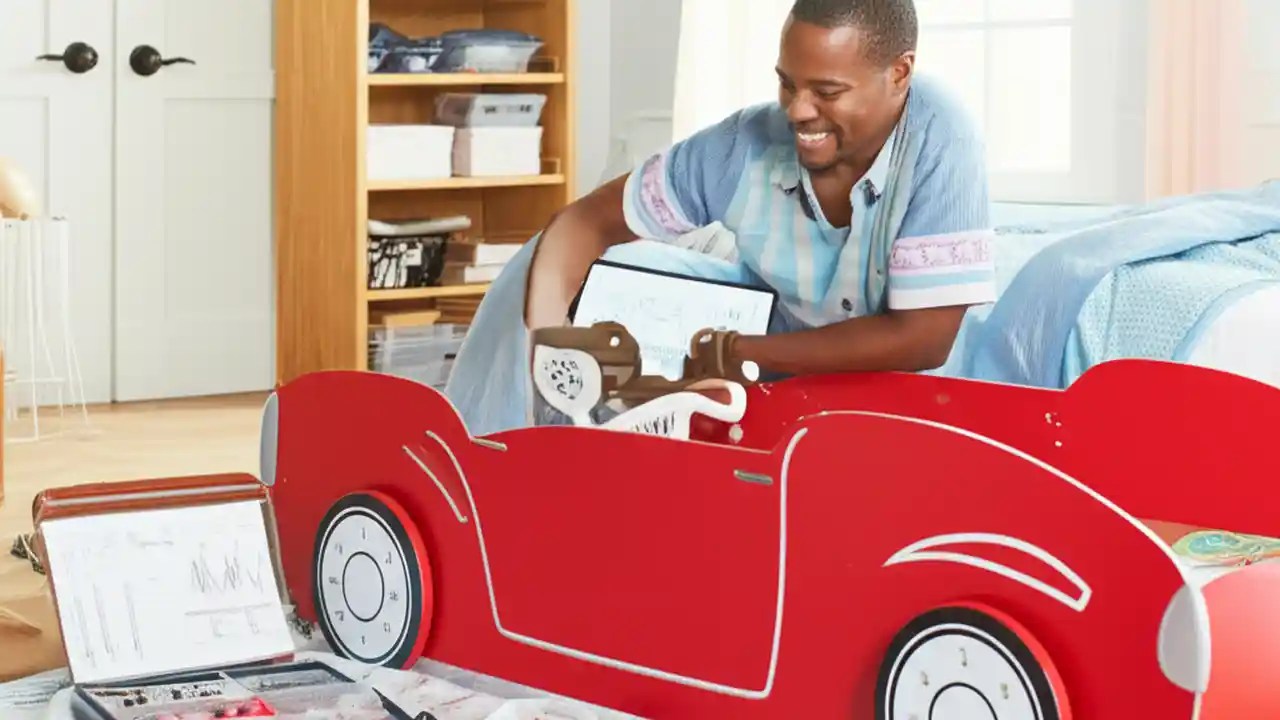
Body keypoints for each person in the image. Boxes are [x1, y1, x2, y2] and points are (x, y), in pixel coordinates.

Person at [445, 0, 997, 435]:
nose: (798, 110)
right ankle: (485, 453)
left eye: (827, 92)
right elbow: (586, 222)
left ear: (899, 73)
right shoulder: (742, 145)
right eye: (787, 82)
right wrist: (550, 335)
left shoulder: (940, 135)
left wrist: (737, 352)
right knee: (548, 260)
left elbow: (923, 340)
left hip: (896, 388)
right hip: (771, 345)